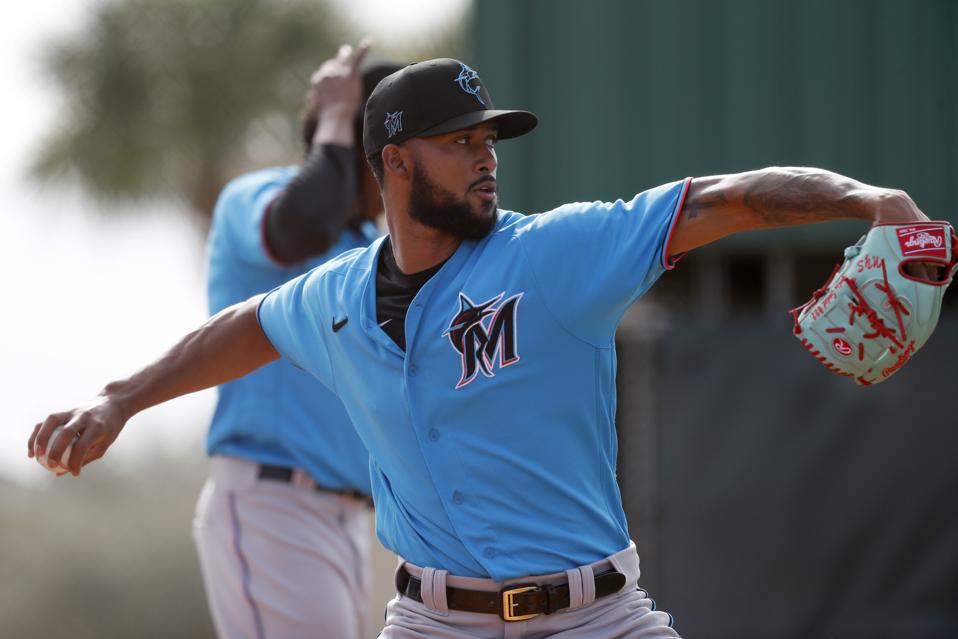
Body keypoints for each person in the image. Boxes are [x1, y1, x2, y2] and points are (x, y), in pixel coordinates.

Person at [30, 55, 933, 638]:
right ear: (394, 164)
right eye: (459, 143)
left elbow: (726, 198)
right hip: (431, 622)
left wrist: (870, 199)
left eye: (489, 140)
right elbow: (245, 328)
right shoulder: (338, 294)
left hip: (595, 618)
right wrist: (120, 397)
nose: (486, 157)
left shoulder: (553, 253)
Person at [196, 42, 397, 639]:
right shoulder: (255, 198)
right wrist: (338, 116)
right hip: (272, 505)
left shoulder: (375, 248)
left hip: (343, 516)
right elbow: (303, 225)